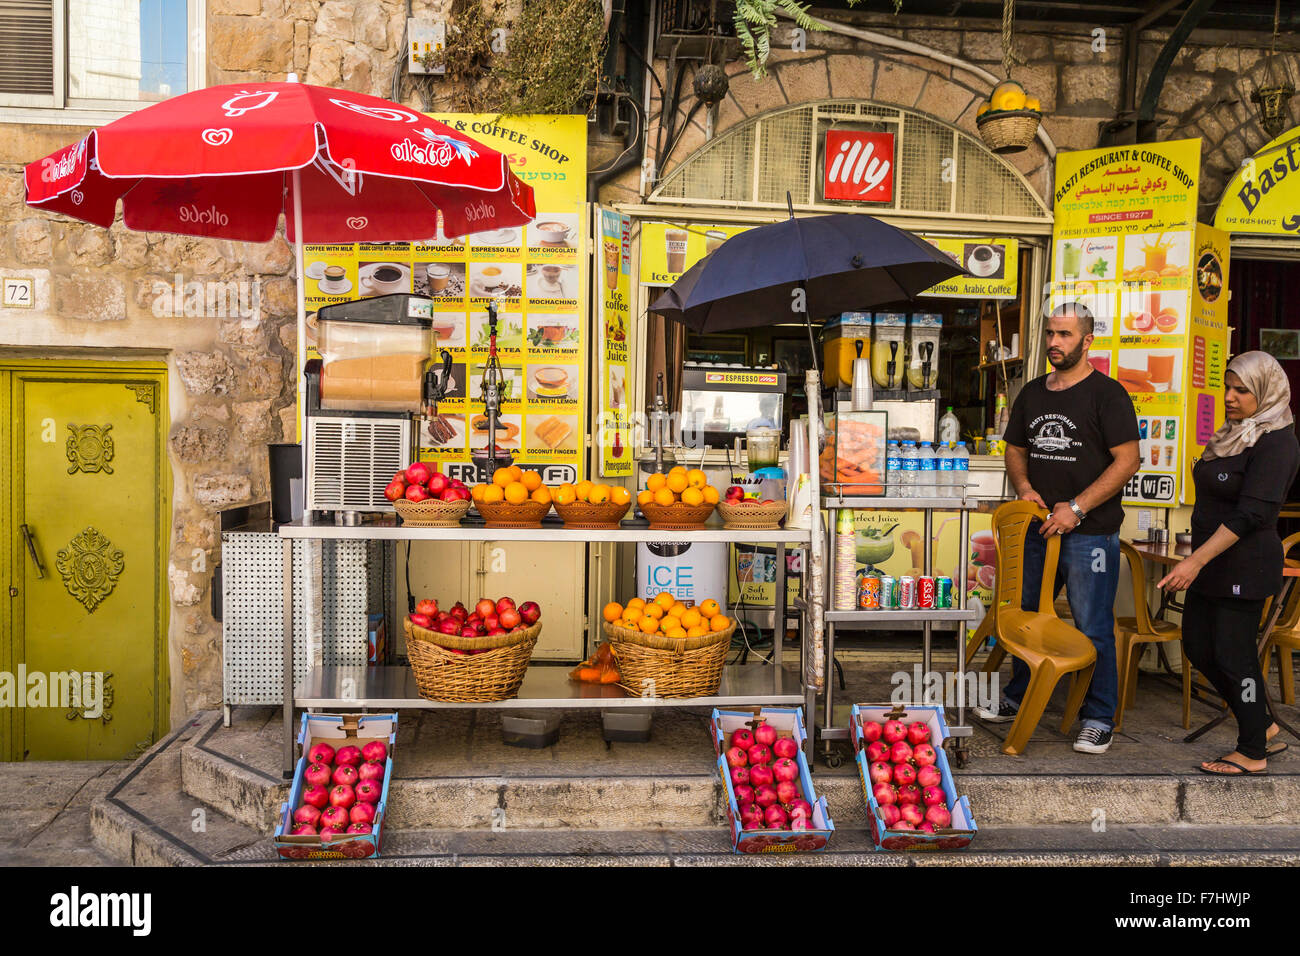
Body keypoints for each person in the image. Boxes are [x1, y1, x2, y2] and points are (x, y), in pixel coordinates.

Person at [975, 302, 1141, 753]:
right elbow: (1015, 449)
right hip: (1037, 530)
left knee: (1092, 626)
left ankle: (1098, 716)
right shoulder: (1032, 392)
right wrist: (1025, 487)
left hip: (1091, 532)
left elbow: (1128, 461)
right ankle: (1019, 695)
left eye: (1065, 335)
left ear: (1088, 341)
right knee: (1027, 617)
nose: (1054, 343)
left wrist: (1078, 508)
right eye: (1050, 333)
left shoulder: (1108, 395)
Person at [1157, 351, 1299, 775]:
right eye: (1228, 388)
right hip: (1212, 562)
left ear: (1267, 393)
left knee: (1236, 657)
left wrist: (1193, 561)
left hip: (1245, 566)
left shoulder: (1277, 442)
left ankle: (1253, 749)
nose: (1231, 398)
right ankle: (1264, 723)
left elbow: (1250, 515)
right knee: (1199, 648)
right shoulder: (1234, 434)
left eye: (1243, 390)